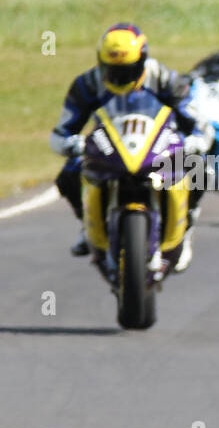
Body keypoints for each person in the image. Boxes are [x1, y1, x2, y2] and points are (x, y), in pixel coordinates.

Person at [50, 22, 208, 268]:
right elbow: (62, 130)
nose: (119, 77)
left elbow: (193, 116)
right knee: (69, 173)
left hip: (156, 144)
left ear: (142, 61)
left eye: (127, 70)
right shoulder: (87, 84)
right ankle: (86, 224)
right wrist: (69, 144)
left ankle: (186, 226)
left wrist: (197, 137)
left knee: (201, 168)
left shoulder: (164, 78)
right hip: (109, 147)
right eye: (112, 70)